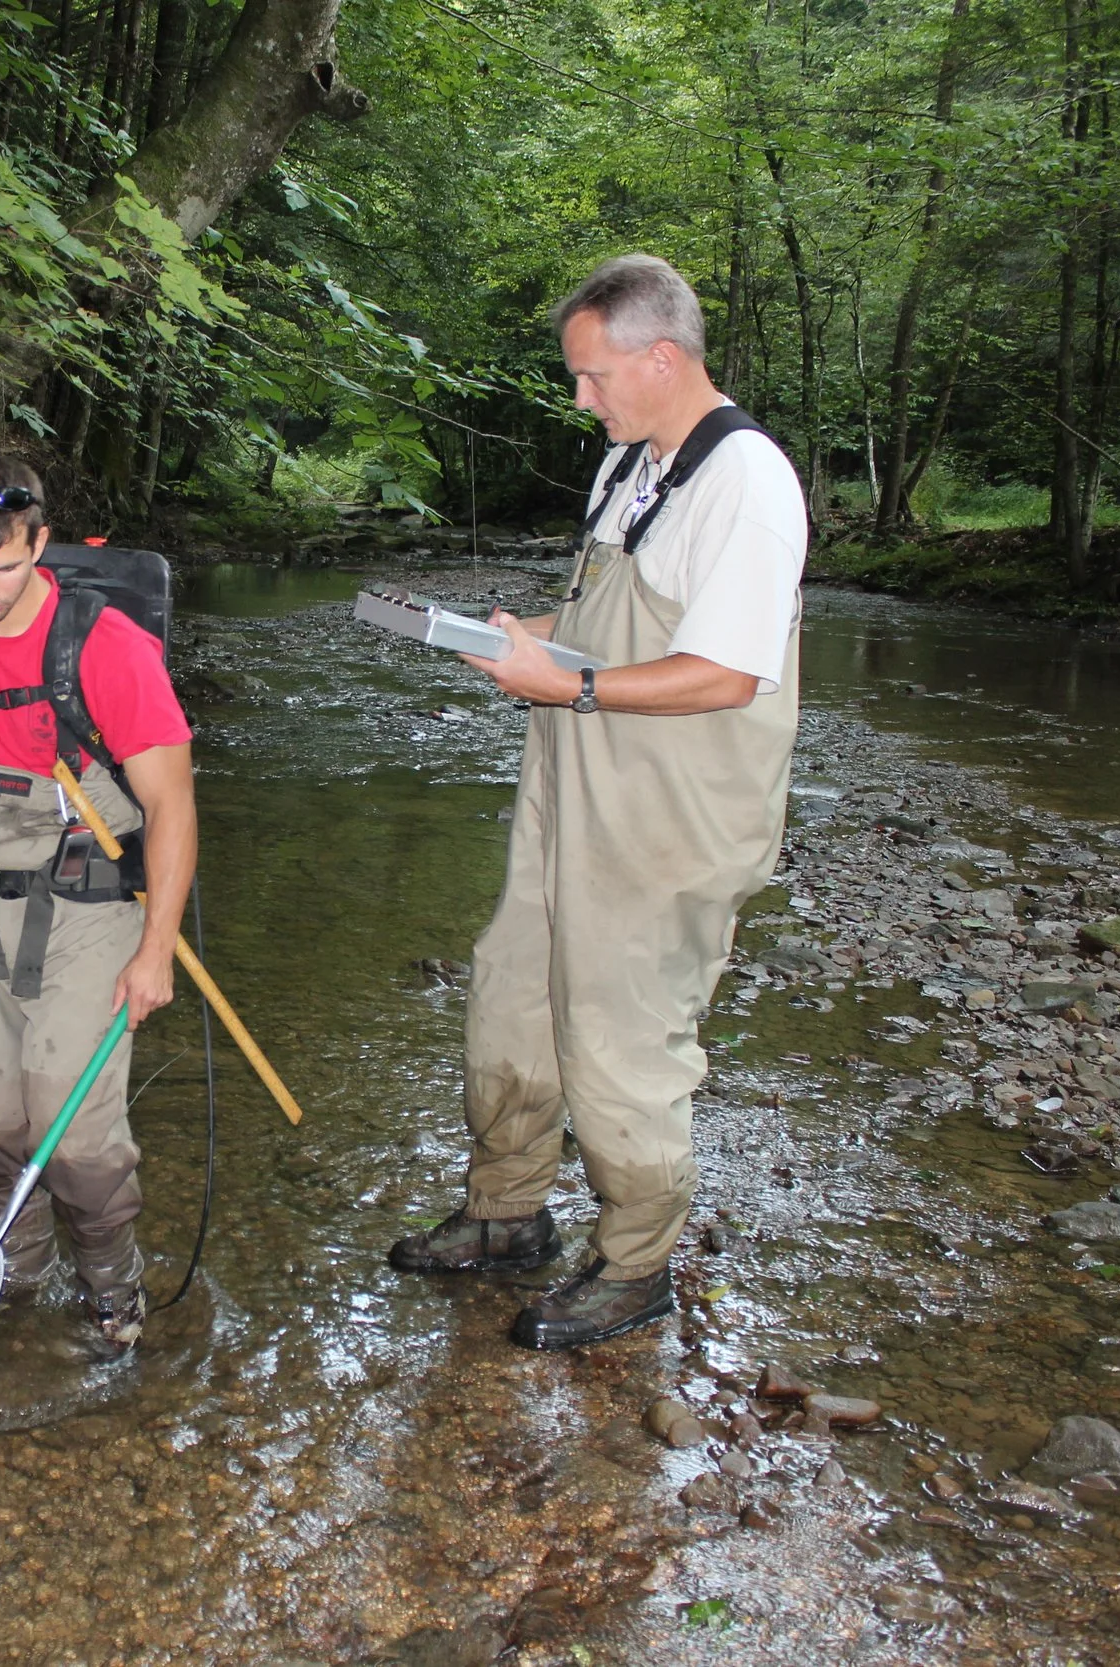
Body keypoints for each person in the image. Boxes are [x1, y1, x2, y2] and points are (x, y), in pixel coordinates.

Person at [386, 253, 806, 1349]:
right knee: (511, 993)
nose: (579, 399)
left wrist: (565, 679)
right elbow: (619, 631)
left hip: (669, 818)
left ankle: (634, 1267)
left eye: (591, 376)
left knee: (622, 1041)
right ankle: (505, 1212)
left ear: (661, 359)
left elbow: (725, 672)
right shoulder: (633, 464)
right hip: (571, 788)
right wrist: (523, 642)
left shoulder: (747, 485)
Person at [0, 455, 197, 1352]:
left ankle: (110, 1286)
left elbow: (171, 801)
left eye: (8, 567)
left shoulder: (106, 647)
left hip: (89, 905)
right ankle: (14, 1270)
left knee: (73, 1125)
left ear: (41, 544)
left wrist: (156, 948)